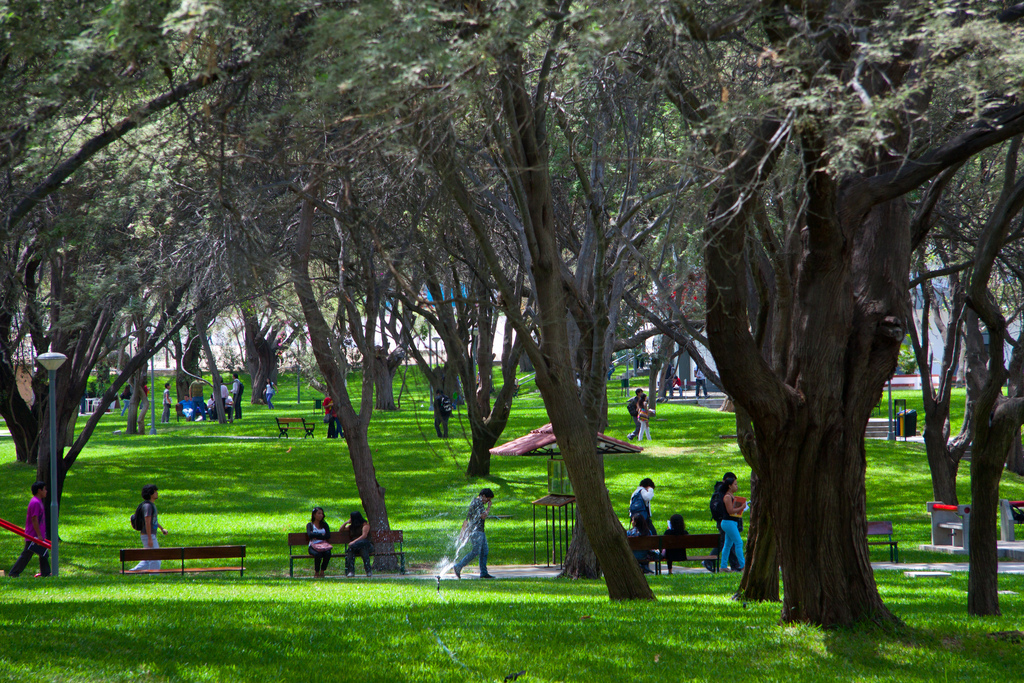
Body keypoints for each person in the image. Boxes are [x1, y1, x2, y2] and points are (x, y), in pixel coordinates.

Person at [8, 482, 51, 578]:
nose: (46, 491)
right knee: (27, 555)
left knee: (43, 554)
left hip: (36, 535)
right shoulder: (35, 502)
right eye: (44, 489)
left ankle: (46, 573)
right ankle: (13, 573)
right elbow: (34, 519)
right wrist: (39, 535)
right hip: (33, 535)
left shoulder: (38, 501)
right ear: (39, 490)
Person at [453, 488, 495, 579]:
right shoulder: (478, 502)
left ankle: (483, 572)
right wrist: (488, 507)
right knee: (476, 551)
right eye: (487, 499)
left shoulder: (476, 501)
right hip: (476, 531)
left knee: (484, 551)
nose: (487, 502)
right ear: (483, 496)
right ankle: (458, 566)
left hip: (479, 531)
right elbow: (483, 516)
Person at [130, 484, 168, 571]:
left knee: (147, 559)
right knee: (156, 558)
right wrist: (150, 538)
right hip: (148, 535)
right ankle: (154, 575)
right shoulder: (148, 506)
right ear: (150, 493)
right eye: (155, 491)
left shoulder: (150, 505)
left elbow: (153, 521)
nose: (157, 493)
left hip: (148, 535)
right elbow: (147, 522)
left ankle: (132, 572)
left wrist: (161, 528)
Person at [719, 475, 746, 572]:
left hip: (732, 522)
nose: (737, 486)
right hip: (728, 522)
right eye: (735, 484)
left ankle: (723, 566)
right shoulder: (727, 497)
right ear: (729, 486)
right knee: (739, 542)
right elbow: (730, 511)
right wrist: (742, 507)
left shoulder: (732, 496)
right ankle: (743, 565)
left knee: (728, 544)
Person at [341, 511, 372, 578]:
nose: (350, 519)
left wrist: (353, 542)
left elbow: (364, 536)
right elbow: (341, 530)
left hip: (366, 545)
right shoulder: (351, 527)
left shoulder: (365, 525)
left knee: (363, 550)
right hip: (354, 547)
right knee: (351, 551)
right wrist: (346, 522)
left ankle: (368, 570)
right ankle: (351, 571)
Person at [307, 507, 332, 578]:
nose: (321, 515)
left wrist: (316, 535)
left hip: (324, 545)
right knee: (317, 554)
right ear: (314, 515)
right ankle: (316, 572)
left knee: (328, 553)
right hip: (313, 546)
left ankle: (322, 571)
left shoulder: (324, 525)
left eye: (322, 513)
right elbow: (310, 535)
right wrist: (321, 535)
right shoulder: (310, 525)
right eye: (319, 513)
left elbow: (328, 535)